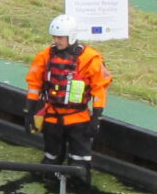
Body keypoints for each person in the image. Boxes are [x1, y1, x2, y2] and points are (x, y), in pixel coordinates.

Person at [25, 15, 111, 173]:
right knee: (50, 159)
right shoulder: (45, 56)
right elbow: (34, 84)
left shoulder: (90, 59)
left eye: (60, 37)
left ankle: (79, 186)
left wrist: (96, 118)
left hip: (78, 118)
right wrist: (29, 111)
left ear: (71, 36)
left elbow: (99, 89)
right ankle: (49, 182)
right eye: (54, 37)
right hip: (52, 115)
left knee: (79, 164)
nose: (56, 41)